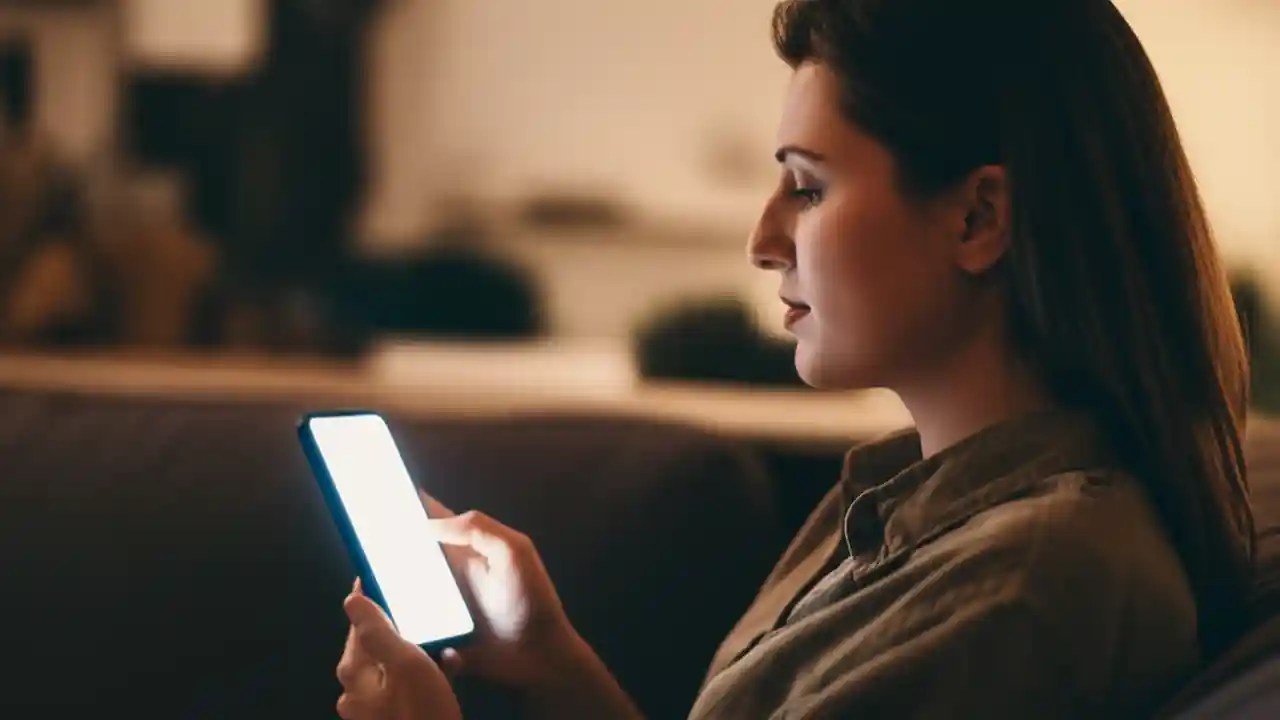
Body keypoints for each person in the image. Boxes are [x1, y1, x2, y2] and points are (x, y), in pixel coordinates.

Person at [332, 0, 1255, 717]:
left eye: (808, 187)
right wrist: (553, 665)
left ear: (979, 218)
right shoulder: (904, 503)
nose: (764, 239)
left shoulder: (1029, 588)